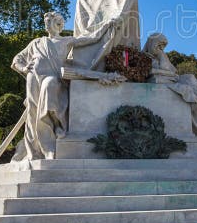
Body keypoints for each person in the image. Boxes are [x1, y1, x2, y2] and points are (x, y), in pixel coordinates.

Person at [11, 12, 121, 160]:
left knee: (49, 90)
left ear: (59, 25)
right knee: (32, 114)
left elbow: (91, 38)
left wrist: (107, 25)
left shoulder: (66, 41)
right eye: (47, 23)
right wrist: (24, 68)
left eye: (54, 22)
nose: (50, 25)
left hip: (53, 78)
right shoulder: (36, 42)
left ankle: (51, 140)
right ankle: (35, 151)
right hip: (33, 79)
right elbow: (17, 59)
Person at [143, 33, 197, 136]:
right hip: (161, 80)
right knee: (186, 88)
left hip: (171, 79)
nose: (161, 49)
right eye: (159, 45)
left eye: (162, 47)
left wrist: (161, 57)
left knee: (190, 77)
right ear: (152, 43)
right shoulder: (144, 57)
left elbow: (171, 70)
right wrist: (161, 57)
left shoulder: (161, 55)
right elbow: (158, 70)